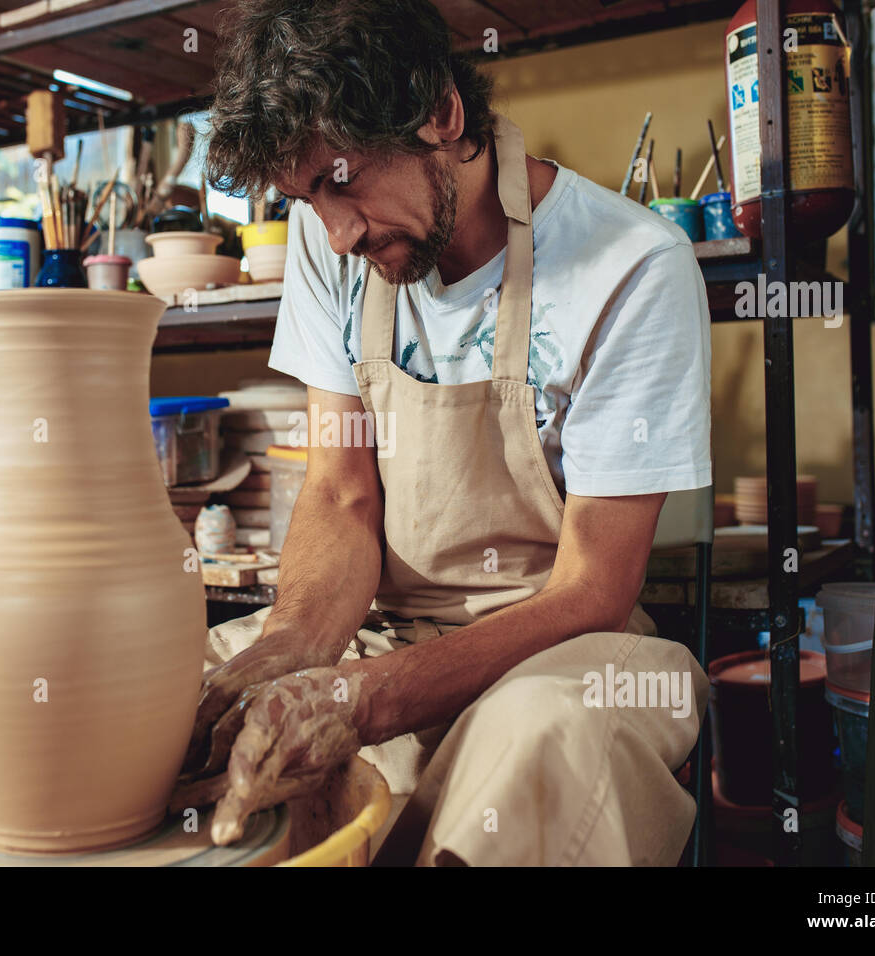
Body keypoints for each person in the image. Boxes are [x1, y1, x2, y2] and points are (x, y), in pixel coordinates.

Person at [176, 0, 713, 866]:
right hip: (381, 629)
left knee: (543, 741)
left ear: (440, 114)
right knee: (177, 705)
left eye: (342, 180)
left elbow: (592, 589)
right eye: (305, 198)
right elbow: (340, 491)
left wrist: (366, 701)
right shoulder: (331, 247)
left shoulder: (632, 267)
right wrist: (299, 645)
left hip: (562, 646)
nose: (336, 232)